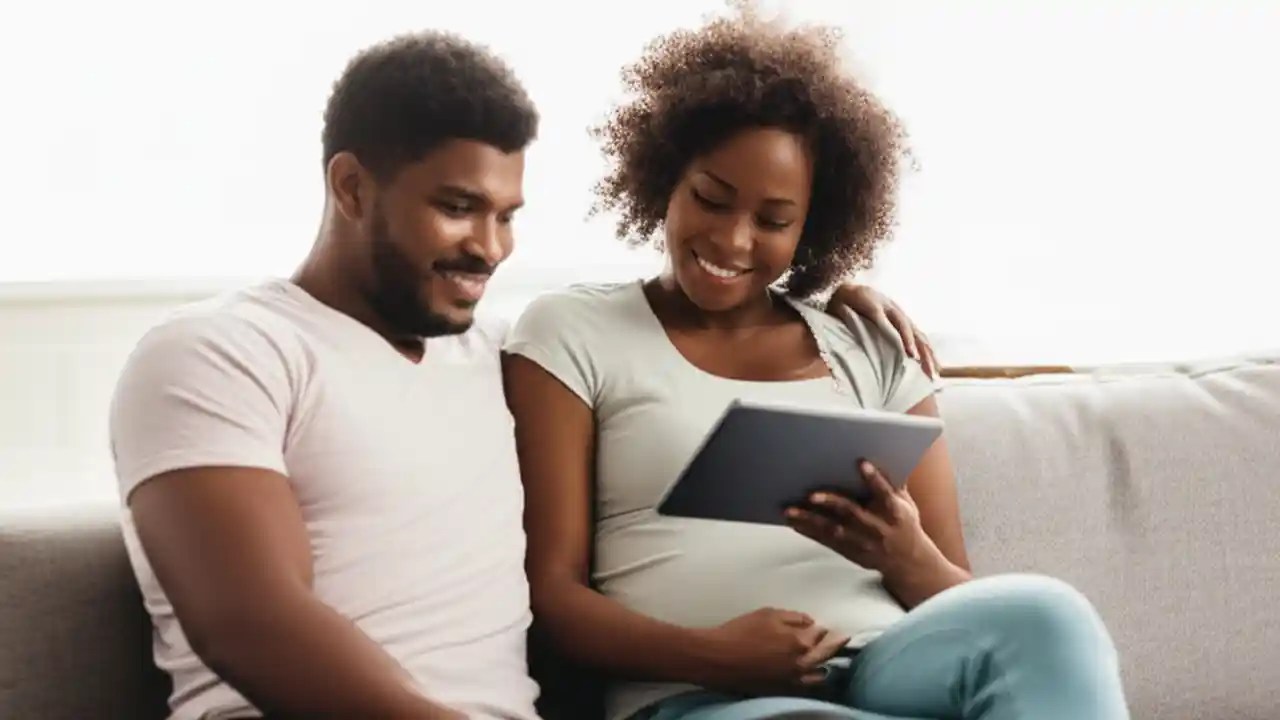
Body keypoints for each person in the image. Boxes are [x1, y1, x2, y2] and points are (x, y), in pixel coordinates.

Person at [107, 29, 934, 720]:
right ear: (352, 187)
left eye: (507, 216)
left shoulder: (493, 359)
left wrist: (833, 300)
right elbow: (251, 623)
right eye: (457, 207)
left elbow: (691, 341)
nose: (490, 248)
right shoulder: (218, 354)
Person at [502, 7, 1130, 720]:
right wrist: (715, 655)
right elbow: (551, 597)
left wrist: (906, 556)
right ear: (665, 177)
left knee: (1049, 612)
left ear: (812, 226)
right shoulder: (572, 333)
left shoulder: (870, 347)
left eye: (773, 220)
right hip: (701, 695)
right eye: (710, 199)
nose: (734, 240)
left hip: (889, 666)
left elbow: (964, 602)